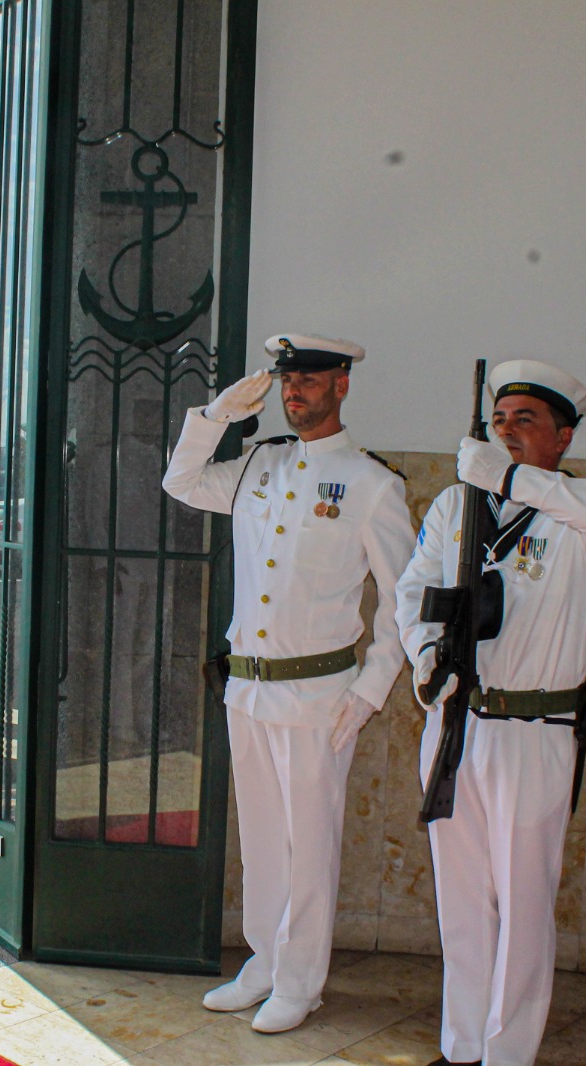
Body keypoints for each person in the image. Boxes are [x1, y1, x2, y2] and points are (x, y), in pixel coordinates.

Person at [162, 333, 415, 1034]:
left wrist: (369, 691)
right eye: (285, 378)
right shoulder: (256, 466)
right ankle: (266, 964)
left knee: (309, 844)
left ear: (341, 384)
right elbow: (179, 482)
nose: (293, 390)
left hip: (320, 695)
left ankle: (302, 981)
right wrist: (215, 418)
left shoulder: (372, 485)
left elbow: (404, 603)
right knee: (267, 839)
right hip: (249, 688)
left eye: (308, 377)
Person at [395, 360, 586, 1066]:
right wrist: (427, 658)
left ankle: (509, 1052)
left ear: (561, 437)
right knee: (462, 899)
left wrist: (505, 477)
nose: (506, 432)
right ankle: (462, 1045)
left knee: (523, 905)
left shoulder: (581, 516)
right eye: (498, 421)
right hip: (457, 722)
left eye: (524, 421)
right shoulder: (453, 506)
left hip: (535, 732)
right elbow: (415, 589)